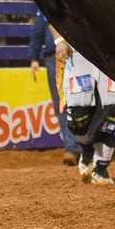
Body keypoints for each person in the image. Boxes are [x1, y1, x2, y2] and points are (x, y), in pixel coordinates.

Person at [56, 35, 115, 184]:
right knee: (77, 117)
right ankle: (86, 148)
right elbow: (52, 15)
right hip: (78, 50)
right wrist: (59, 40)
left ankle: (101, 168)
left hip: (114, 50)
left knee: (112, 112)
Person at [28, 12, 81, 161]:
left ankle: (74, 147)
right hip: (56, 59)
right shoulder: (44, 8)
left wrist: (34, 57)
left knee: (70, 103)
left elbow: (38, 32)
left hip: (73, 57)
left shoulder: (48, 8)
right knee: (63, 104)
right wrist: (34, 58)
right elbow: (38, 32)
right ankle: (73, 146)